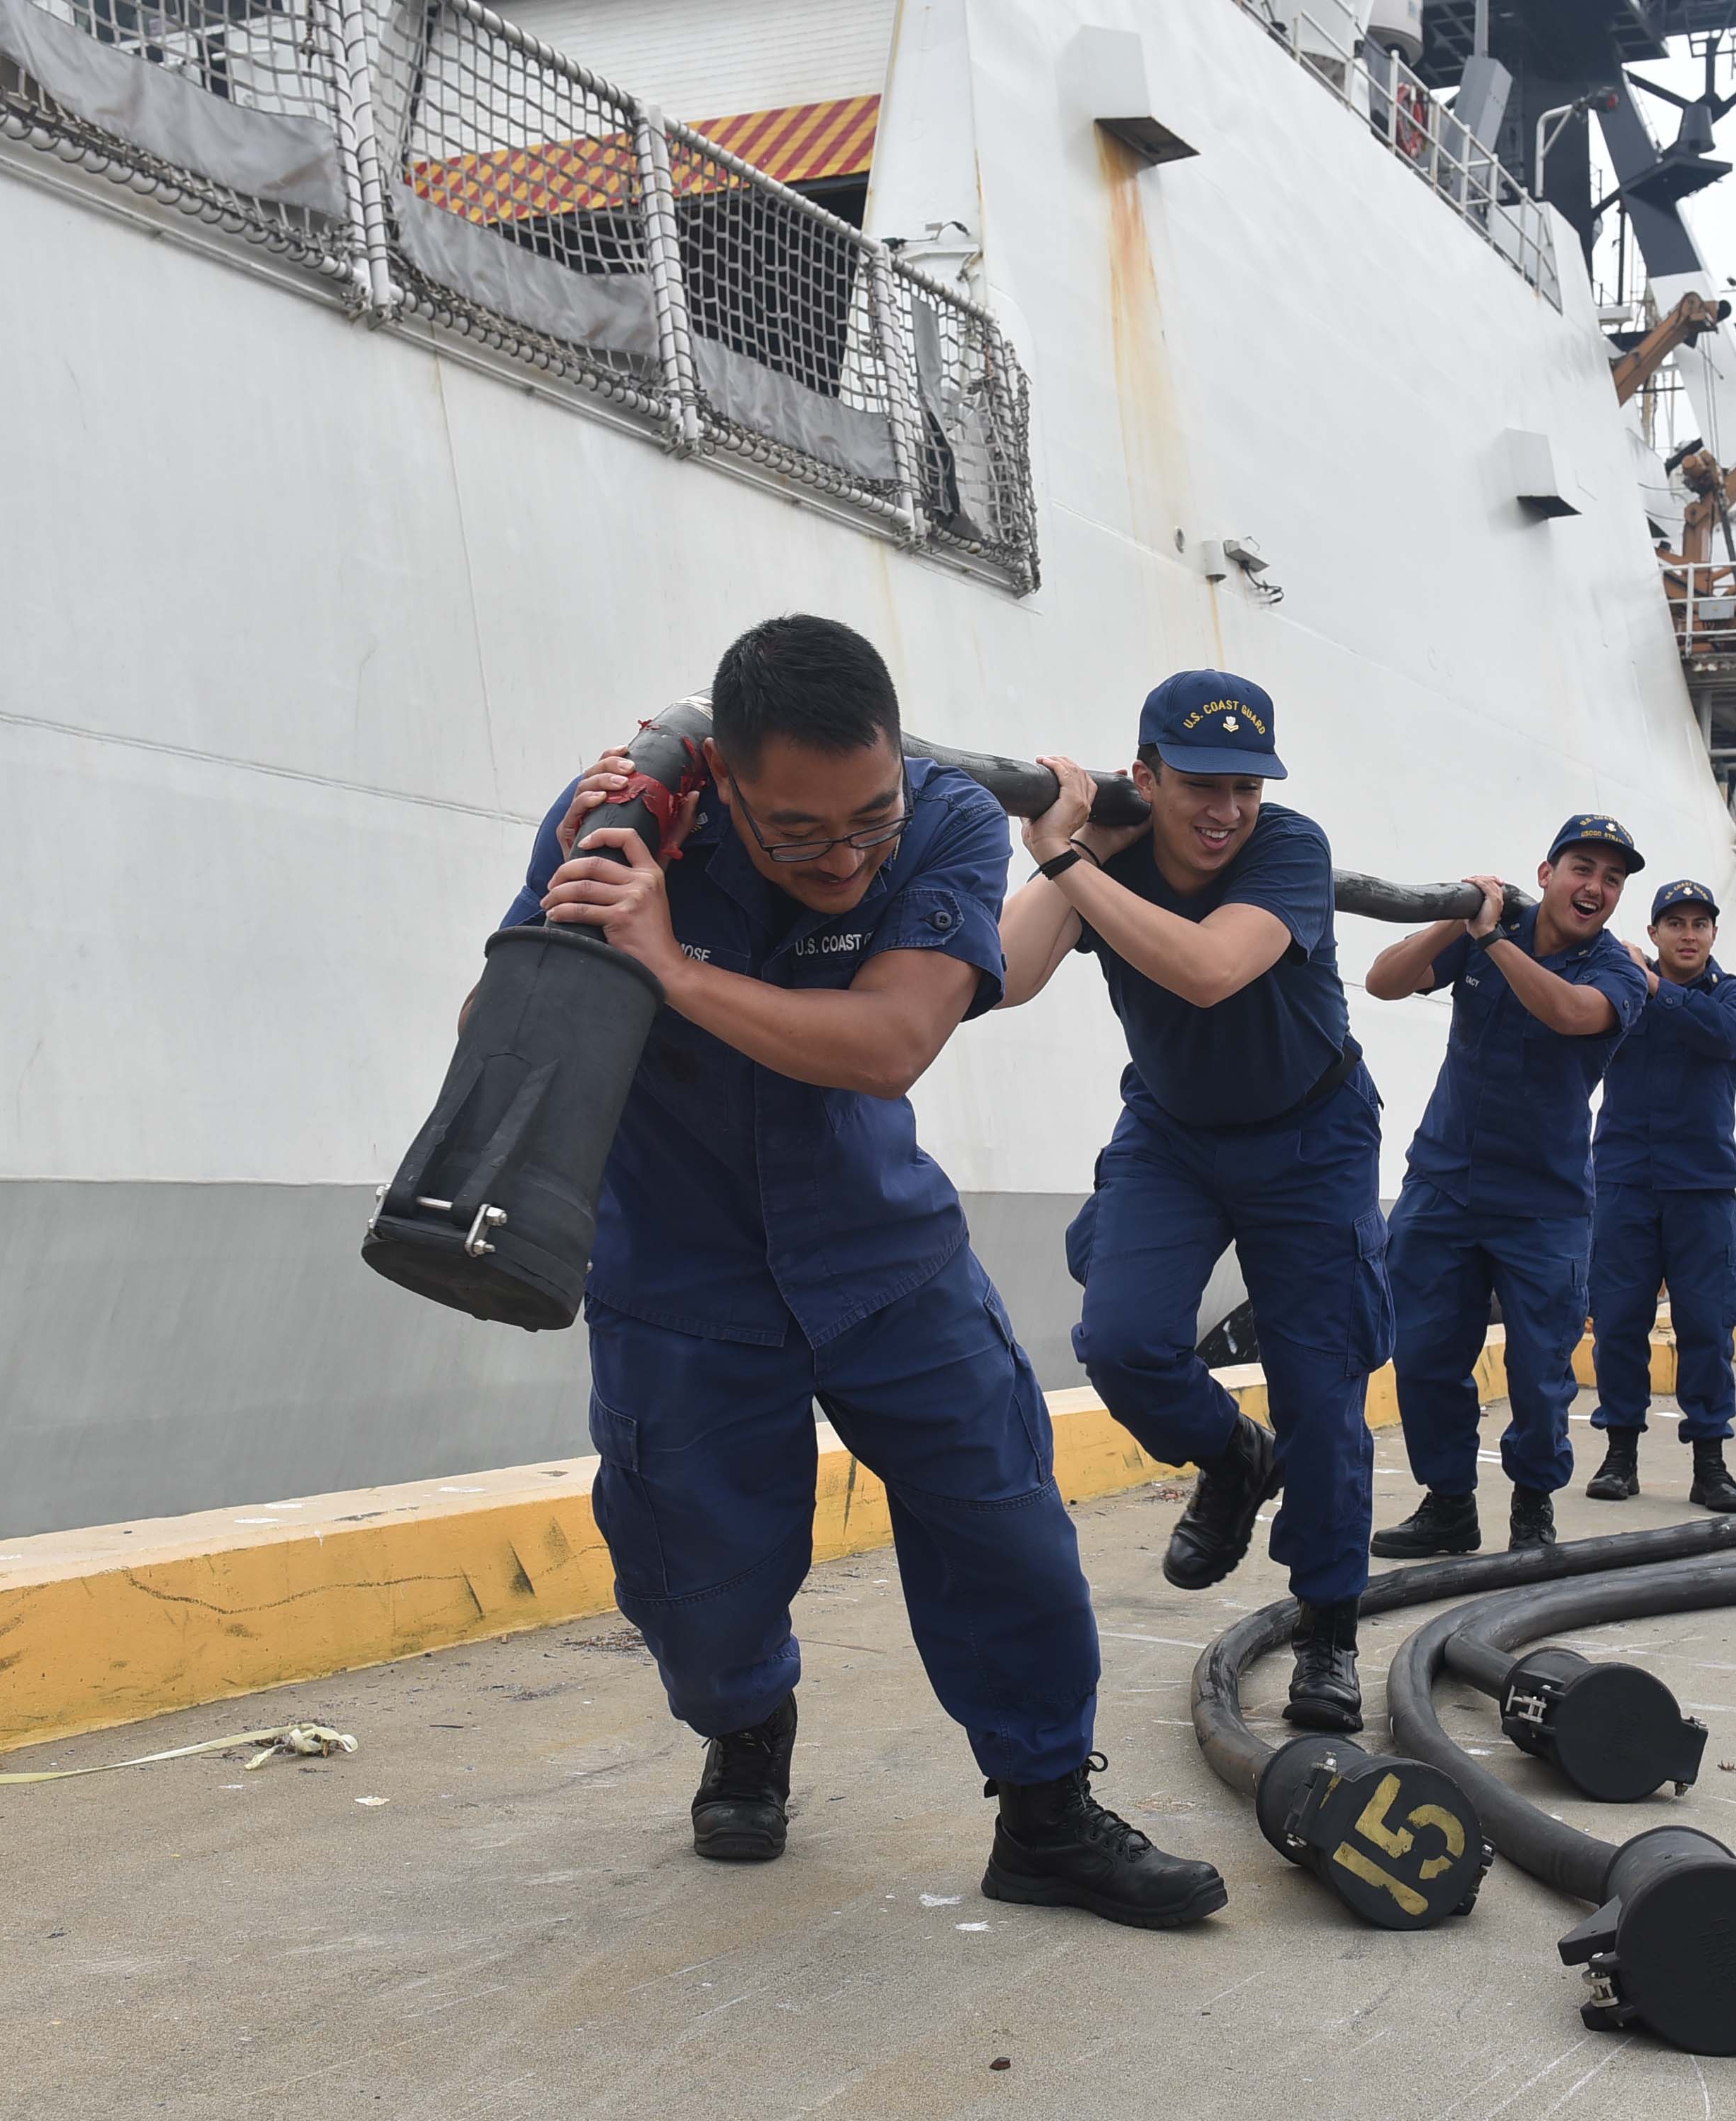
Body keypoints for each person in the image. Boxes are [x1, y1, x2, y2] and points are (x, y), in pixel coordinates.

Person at [508, 614, 1220, 1924]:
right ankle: (748, 1724)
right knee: (699, 1582)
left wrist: (668, 969)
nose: (843, 858)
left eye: (866, 822)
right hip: (681, 1272)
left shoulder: (942, 819)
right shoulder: (628, 814)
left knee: (1004, 1527)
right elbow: (495, 1024)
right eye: (798, 833)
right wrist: (585, 922)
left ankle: (1047, 1812)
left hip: (881, 1253)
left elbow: (894, 1038)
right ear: (724, 780)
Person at [999, 670, 1385, 1732]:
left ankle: (1328, 1630)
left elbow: (1214, 970)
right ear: (1147, 776)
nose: (1226, 813)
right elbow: (1006, 972)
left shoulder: (1288, 849)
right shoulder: (1105, 856)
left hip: (1312, 1139)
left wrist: (1069, 860)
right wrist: (1068, 863)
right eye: (1202, 786)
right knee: (1121, 1339)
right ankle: (1229, 1454)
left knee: (1321, 1388)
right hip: (1173, 1134)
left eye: (1246, 789)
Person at [1361, 817, 1648, 1555]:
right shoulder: (1489, 927)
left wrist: (1491, 943)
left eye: (1612, 879)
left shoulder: (1614, 970)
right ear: (1546, 872)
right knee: (1425, 1353)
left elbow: (1568, 1011)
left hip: (1543, 1204)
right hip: (1444, 1183)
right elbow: (1384, 981)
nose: (1596, 888)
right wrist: (1453, 920)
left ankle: (1532, 1506)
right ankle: (1449, 1503)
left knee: (1538, 1369)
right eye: (1582, 868)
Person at [1584, 880, 1736, 1512]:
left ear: (1713, 934)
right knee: (1618, 1322)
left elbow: (1729, 1035)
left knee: (1707, 1325)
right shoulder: (1621, 980)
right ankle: (1620, 1454)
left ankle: (1710, 1461)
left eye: (1700, 924)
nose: (1688, 934)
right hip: (1625, 1182)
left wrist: (1658, 989)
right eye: (1675, 924)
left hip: (1703, 1186)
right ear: (1655, 932)